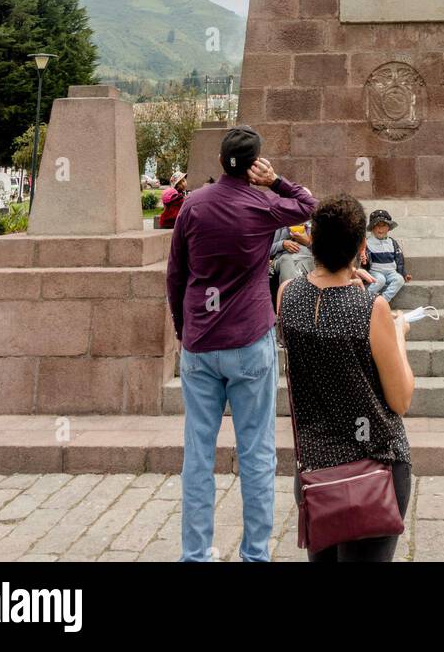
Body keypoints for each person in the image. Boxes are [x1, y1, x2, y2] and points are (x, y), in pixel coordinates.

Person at [166, 125, 316, 563]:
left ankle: (194, 555)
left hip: (200, 342)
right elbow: (309, 206)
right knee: (256, 452)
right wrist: (276, 182)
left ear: (220, 160)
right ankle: (255, 555)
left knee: (197, 453)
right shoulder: (264, 205)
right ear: (255, 164)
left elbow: (176, 276)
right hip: (250, 341)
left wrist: (184, 328)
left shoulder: (192, 206)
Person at [278, 194, 414, 564]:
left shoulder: (286, 295)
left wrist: (342, 274)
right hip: (373, 467)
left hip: (316, 468)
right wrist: (398, 335)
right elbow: (401, 399)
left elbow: (318, 304)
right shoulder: (373, 308)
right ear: (361, 245)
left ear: (313, 241)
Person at [364, 209, 410, 304]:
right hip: (375, 272)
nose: (380, 229)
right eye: (377, 226)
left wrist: (403, 274)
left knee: (399, 280)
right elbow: (364, 260)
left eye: (383, 226)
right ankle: (365, 299)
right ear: (372, 228)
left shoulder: (392, 242)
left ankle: (384, 301)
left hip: (390, 272)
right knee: (380, 280)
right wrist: (364, 260)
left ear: (388, 228)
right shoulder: (368, 243)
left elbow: (399, 260)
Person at [271, 220, 314, 285]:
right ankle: (292, 293)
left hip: (308, 258)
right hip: (284, 259)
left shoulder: (313, 222)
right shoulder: (279, 222)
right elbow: (264, 250)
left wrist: (308, 243)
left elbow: (325, 252)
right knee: (286, 260)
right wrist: (282, 244)